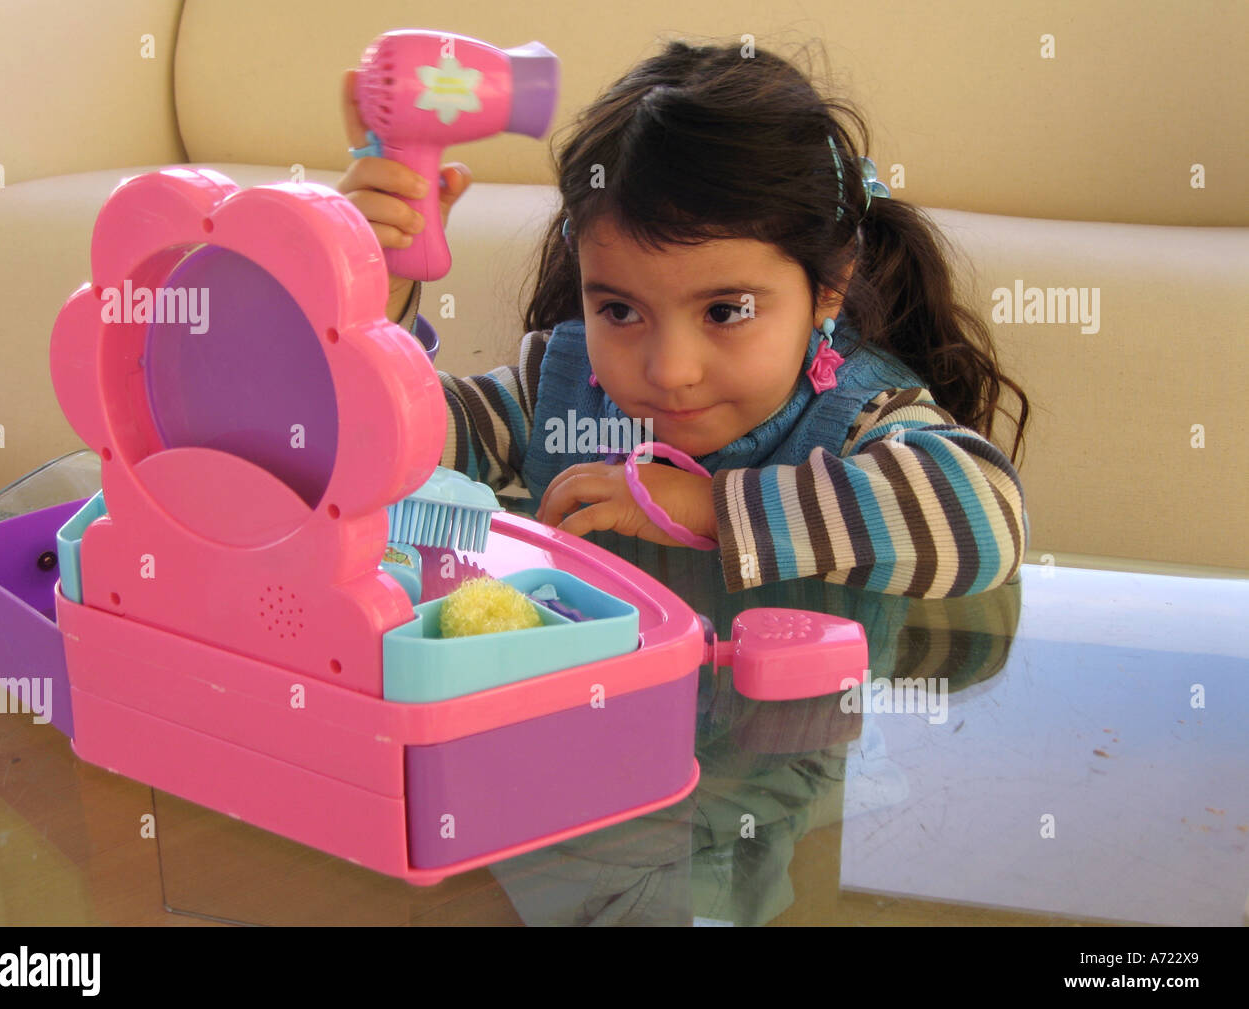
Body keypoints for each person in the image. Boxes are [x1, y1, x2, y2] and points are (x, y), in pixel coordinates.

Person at [336, 39, 1030, 598]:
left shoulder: (859, 414)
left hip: (772, 768)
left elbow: (988, 521)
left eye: (726, 311)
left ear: (830, 286)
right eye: (619, 309)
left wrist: (705, 509)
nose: (669, 371)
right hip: (585, 746)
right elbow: (367, 444)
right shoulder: (559, 389)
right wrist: (368, 294)